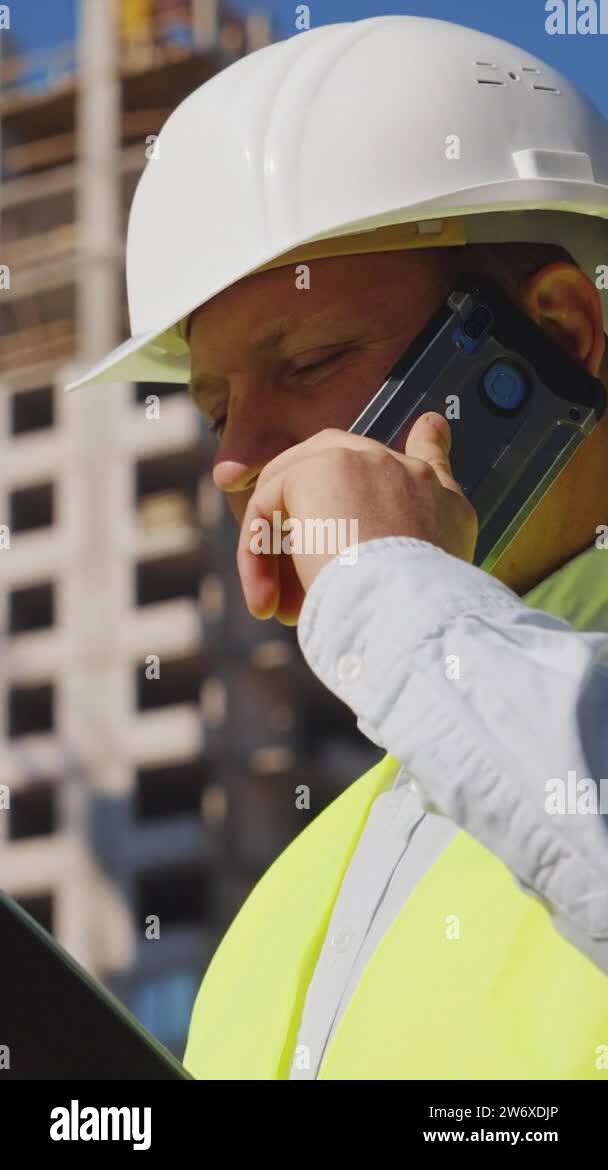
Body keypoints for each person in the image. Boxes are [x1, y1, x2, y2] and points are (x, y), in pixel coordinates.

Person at [68, 15, 608, 1080]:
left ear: (560, 333)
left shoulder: (444, 669)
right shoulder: (293, 898)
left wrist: (393, 592)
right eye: (214, 411)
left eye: (310, 359)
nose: (238, 462)